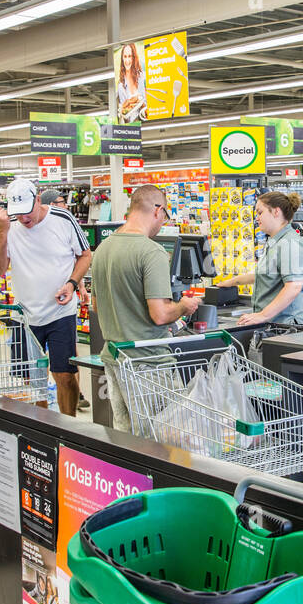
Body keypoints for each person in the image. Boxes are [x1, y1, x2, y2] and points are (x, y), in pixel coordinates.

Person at [90, 184, 199, 431]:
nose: (162, 223)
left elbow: (95, 306)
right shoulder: (152, 252)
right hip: (149, 363)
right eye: (165, 216)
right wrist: (184, 306)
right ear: (158, 210)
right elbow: (160, 314)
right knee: (167, 436)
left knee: (126, 438)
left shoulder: (103, 248)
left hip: (115, 358)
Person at [0, 178, 92, 417]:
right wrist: (2, 232)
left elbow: (85, 255)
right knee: (33, 381)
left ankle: (69, 427)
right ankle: (43, 425)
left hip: (60, 313)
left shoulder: (63, 220)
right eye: (18, 214)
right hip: (24, 316)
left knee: (64, 375)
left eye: (27, 212)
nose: (24, 219)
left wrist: (72, 283)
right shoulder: (10, 227)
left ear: (37, 199)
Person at [214, 191, 303, 327]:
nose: (256, 218)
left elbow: (294, 286)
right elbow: (264, 274)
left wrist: (263, 315)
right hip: (275, 325)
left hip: (288, 327)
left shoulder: (290, 244)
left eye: (260, 213)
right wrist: (231, 282)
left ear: (276, 212)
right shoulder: (275, 242)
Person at [40, 189, 92, 412]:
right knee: (39, 369)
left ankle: (76, 393)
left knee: (69, 360)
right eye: (62, 202)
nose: (66, 206)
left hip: (64, 305)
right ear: (51, 204)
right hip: (41, 307)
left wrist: (79, 286)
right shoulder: (45, 228)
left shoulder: (66, 224)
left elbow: (76, 257)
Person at [114, 43, 147, 123]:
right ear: (122, 58)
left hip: (145, 120)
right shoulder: (121, 85)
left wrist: (141, 104)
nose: (127, 60)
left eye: (130, 56)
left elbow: (145, 101)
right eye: (125, 57)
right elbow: (124, 113)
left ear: (134, 57)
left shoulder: (140, 77)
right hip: (132, 125)